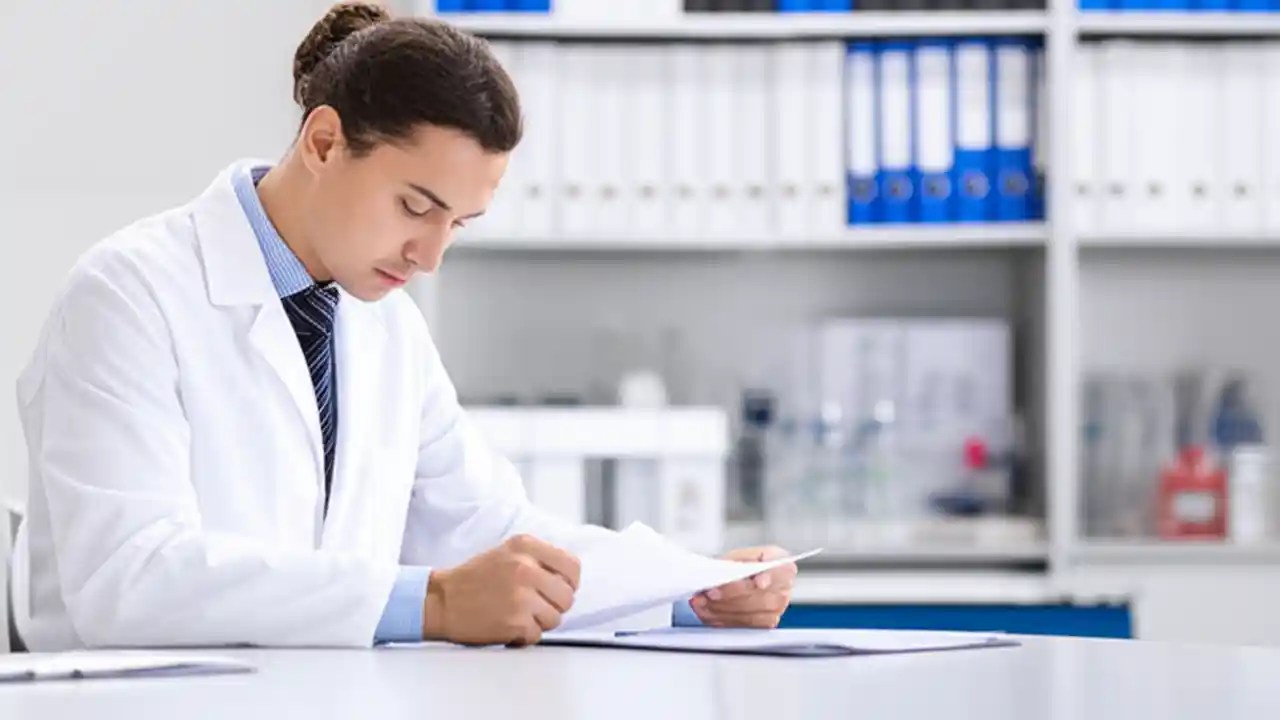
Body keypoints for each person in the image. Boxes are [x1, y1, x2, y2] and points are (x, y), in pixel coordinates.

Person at [11, 2, 797, 651]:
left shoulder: (383, 325)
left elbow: (492, 533)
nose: (429, 255)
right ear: (323, 142)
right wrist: (431, 604)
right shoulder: (128, 295)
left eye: (458, 222)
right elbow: (129, 581)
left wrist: (685, 591)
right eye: (415, 206)